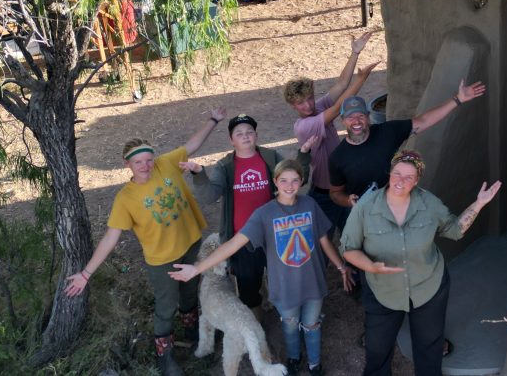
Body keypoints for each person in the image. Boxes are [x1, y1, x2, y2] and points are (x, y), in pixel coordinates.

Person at [66, 107, 228, 376]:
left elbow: (192, 144)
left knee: (190, 293)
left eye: (148, 159)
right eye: (138, 162)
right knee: (166, 306)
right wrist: (85, 274)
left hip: (190, 244)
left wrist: (213, 120)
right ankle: (165, 356)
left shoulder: (165, 164)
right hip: (162, 259)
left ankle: (193, 333)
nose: (145, 166)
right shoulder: (125, 198)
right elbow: (110, 238)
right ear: (126, 164)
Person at [170, 159, 354, 376]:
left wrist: (342, 267)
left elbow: (323, 239)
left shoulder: (309, 205)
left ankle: (315, 364)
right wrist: (197, 269)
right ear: (275, 182)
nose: (289, 185)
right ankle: (294, 358)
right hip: (284, 286)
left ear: (302, 181)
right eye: (283, 180)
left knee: (312, 324)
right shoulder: (264, 214)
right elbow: (233, 244)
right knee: (290, 324)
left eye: (295, 180)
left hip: (312, 281)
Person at [341, 150, 500, 376]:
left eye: (409, 177)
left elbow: (454, 230)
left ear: (417, 180)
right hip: (382, 290)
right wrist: (369, 266)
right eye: (397, 174)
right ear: (390, 173)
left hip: (428, 287)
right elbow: (348, 249)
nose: (401, 181)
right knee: (378, 350)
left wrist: (479, 204)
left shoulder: (429, 203)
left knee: (429, 349)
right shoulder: (366, 207)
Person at [183, 113, 313, 317]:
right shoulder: (225, 166)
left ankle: (291, 319)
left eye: (249, 132)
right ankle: (256, 324)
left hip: (275, 233)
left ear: (256, 136)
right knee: (248, 285)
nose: (245, 136)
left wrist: (303, 154)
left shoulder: (270, 157)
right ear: (231, 140)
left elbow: (294, 180)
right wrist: (199, 174)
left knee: (285, 275)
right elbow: (209, 196)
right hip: (242, 239)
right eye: (239, 133)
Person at [329, 78, 486, 211]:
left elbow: (423, 121)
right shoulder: (337, 157)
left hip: (397, 206)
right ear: (342, 121)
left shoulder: (388, 132)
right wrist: (348, 201)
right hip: (364, 213)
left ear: (368, 117)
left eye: (361, 115)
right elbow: (335, 193)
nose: (356, 121)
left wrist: (458, 99)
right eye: (350, 117)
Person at [284, 32, 377, 230]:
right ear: (293, 106)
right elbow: (337, 110)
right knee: (323, 241)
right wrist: (361, 79)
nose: (308, 105)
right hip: (324, 193)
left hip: (344, 187)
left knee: (352, 236)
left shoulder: (317, 107)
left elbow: (341, 84)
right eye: (301, 103)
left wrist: (355, 53)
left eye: (310, 98)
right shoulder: (304, 126)